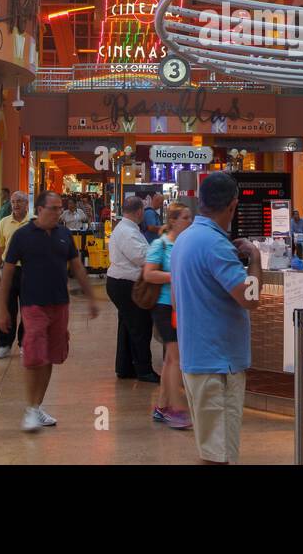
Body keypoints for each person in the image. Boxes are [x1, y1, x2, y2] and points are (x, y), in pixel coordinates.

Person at [171, 171, 261, 464]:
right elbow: (250, 299)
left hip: (198, 357)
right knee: (219, 455)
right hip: (218, 364)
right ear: (233, 205)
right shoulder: (215, 244)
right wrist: (255, 260)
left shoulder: (185, 239)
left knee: (210, 449)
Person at [0, 190, 99, 431]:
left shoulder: (64, 235)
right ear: (40, 209)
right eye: (53, 208)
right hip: (33, 305)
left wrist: (92, 298)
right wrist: (3, 309)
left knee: (51, 356)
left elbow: (77, 268)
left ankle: (37, 406)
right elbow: (8, 273)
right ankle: (31, 409)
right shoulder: (22, 236)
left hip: (60, 305)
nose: (57, 212)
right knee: (34, 356)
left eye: (59, 208)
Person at [143, 202, 194, 429]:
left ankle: (162, 407)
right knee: (175, 357)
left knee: (170, 360)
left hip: (182, 305)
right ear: (173, 220)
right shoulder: (160, 245)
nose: (189, 222)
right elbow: (149, 274)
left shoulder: (187, 244)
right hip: (165, 307)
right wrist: (175, 275)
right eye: (185, 217)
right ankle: (176, 408)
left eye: (191, 217)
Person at [106, 195, 160, 383]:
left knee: (128, 326)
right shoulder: (127, 231)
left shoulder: (126, 228)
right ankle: (144, 370)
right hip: (125, 284)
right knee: (140, 326)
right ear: (139, 212)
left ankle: (125, 367)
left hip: (120, 282)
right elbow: (140, 257)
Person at [0, 191, 30, 358]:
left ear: (26, 203)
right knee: (8, 308)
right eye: (13, 202)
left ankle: (25, 343)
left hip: (28, 271)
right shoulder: (3, 223)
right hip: (9, 270)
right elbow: (0, 248)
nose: (15, 204)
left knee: (27, 309)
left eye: (19, 201)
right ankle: (4, 344)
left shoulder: (33, 222)